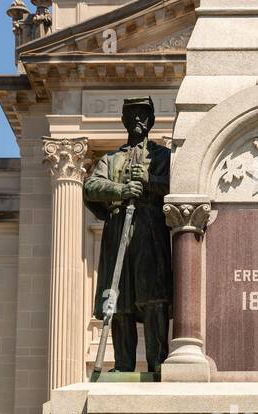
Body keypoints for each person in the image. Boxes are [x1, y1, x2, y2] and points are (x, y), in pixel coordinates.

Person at [83, 96, 173, 376]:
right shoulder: (110, 159)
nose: (138, 119)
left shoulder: (162, 157)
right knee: (118, 299)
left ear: (151, 121)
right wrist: (121, 191)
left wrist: (148, 182)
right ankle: (123, 364)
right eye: (132, 114)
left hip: (150, 231)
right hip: (118, 229)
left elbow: (177, 186)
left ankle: (158, 361)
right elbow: (90, 187)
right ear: (124, 120)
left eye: (144, 115)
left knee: (154, 297)